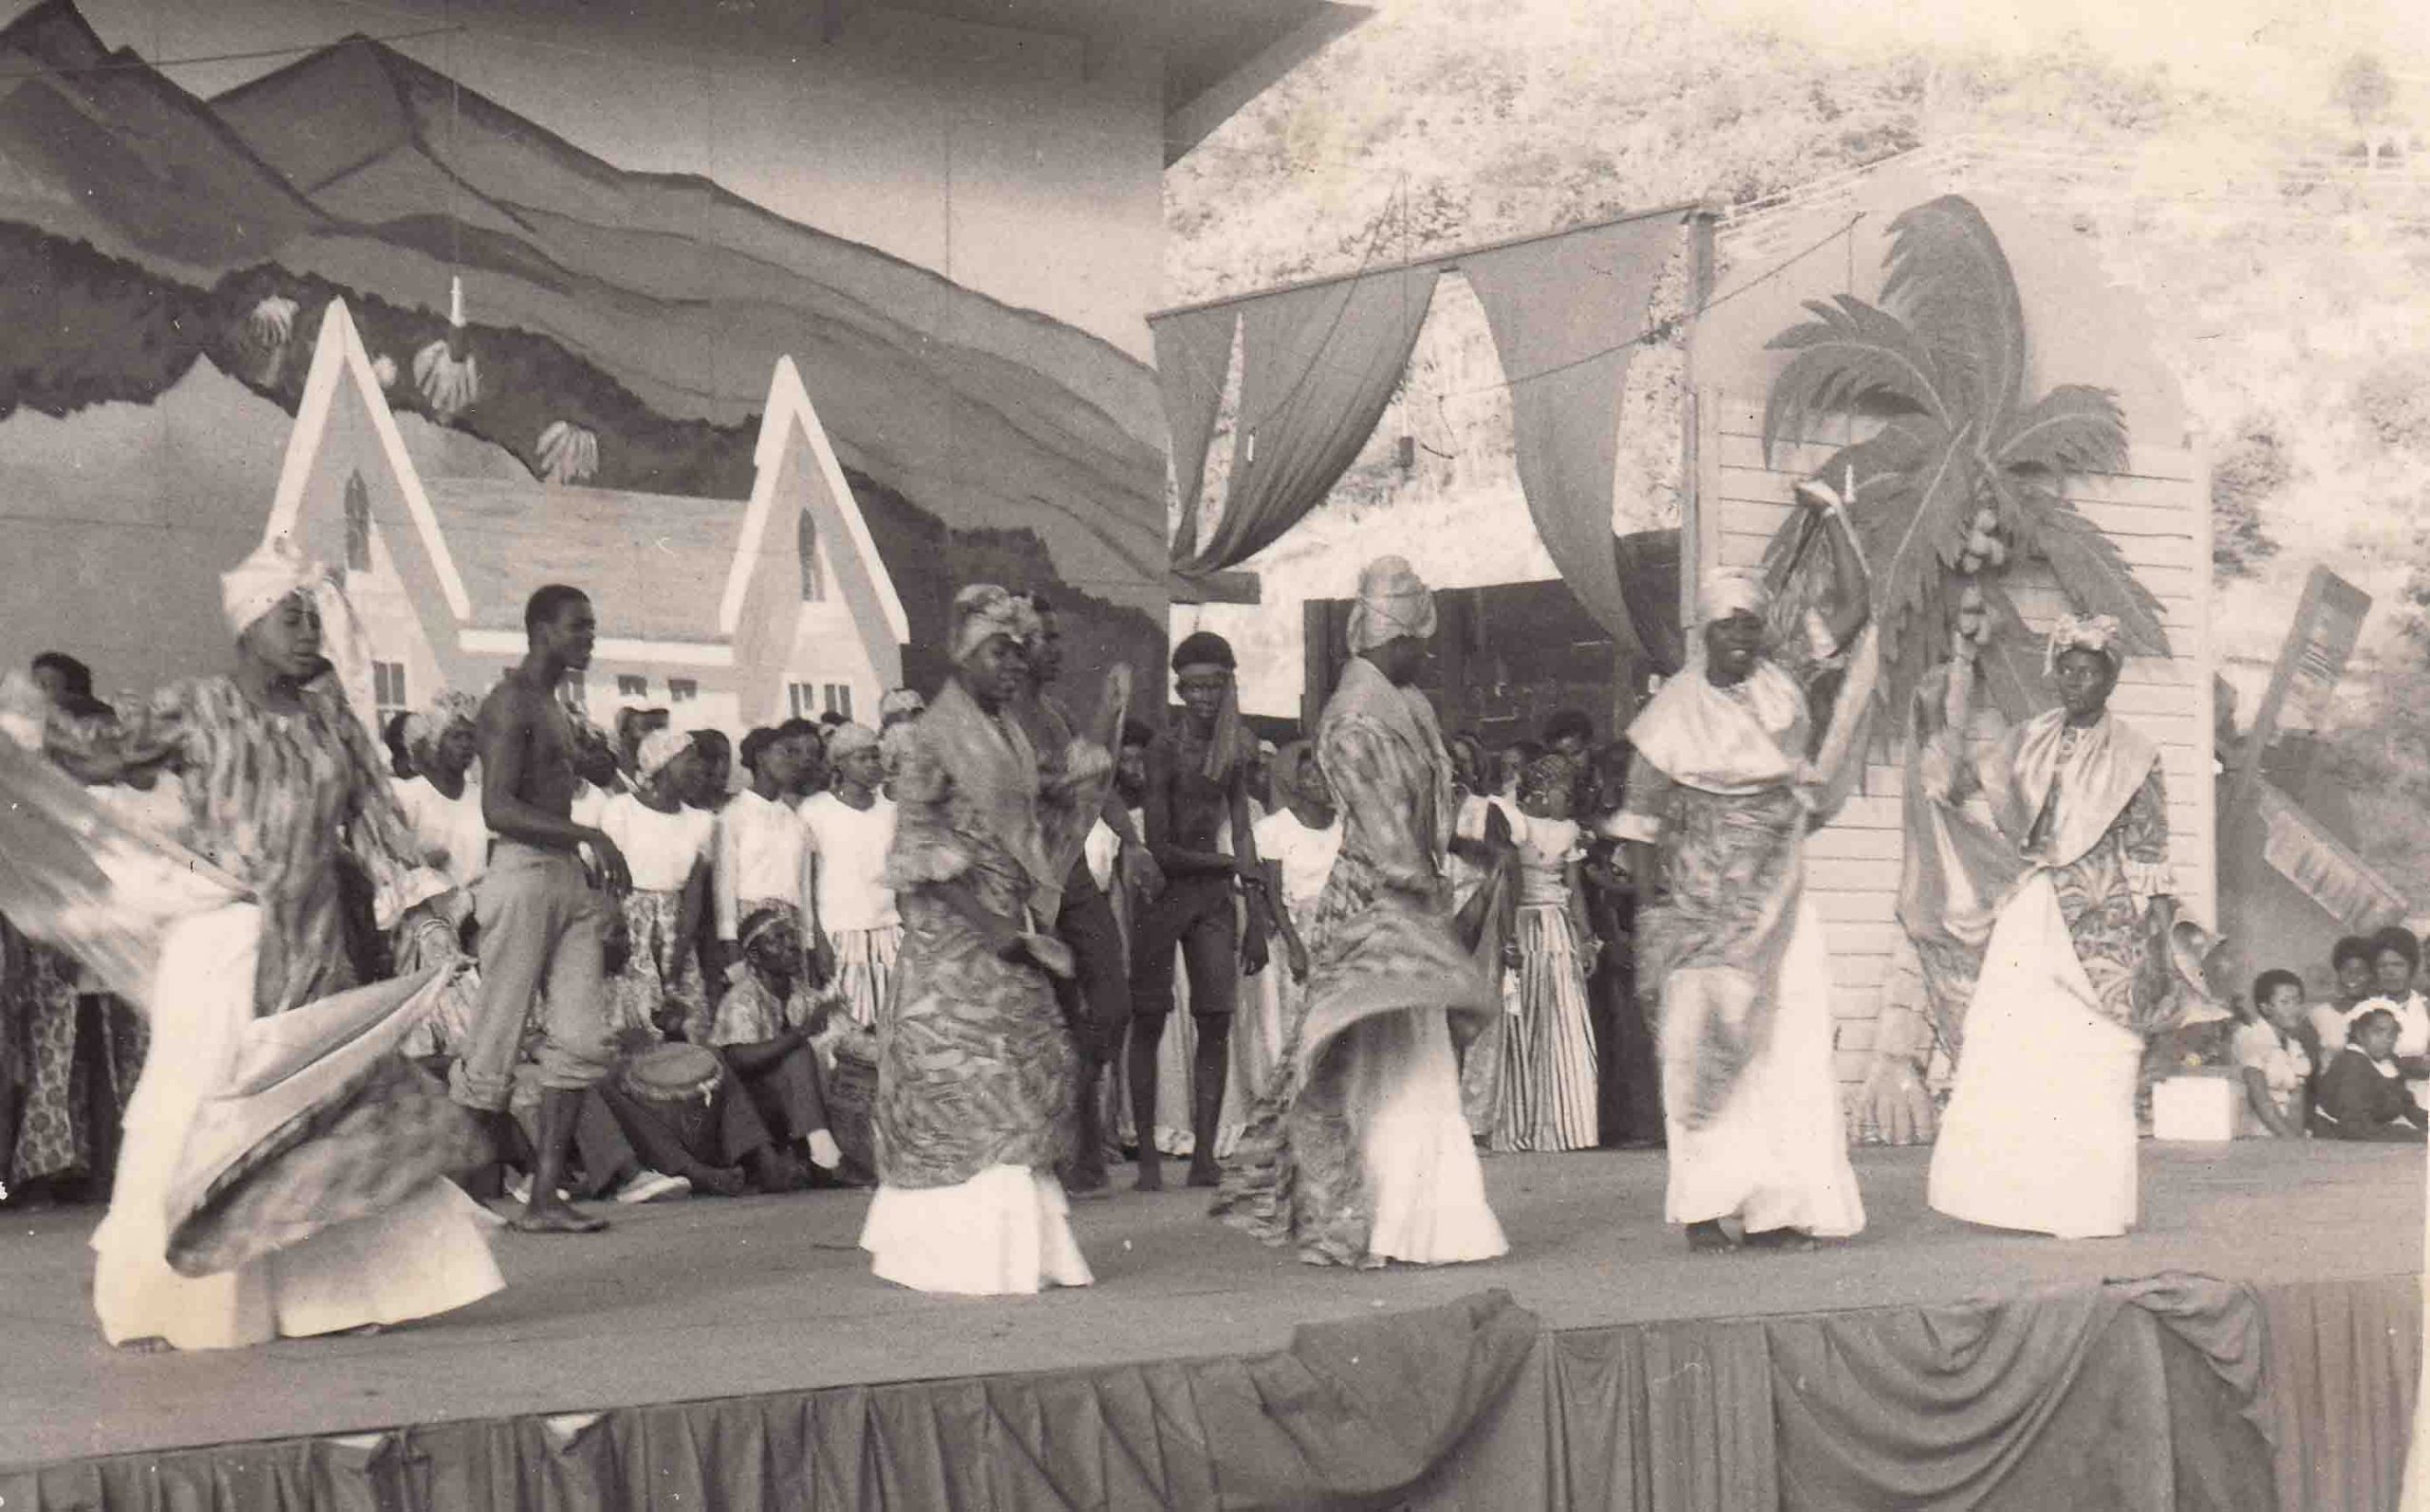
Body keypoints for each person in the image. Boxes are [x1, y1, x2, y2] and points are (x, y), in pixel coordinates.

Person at [44, 537, 500, 1349]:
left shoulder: (332, 725)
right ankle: (177, 1300)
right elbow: (100, 757)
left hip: (315, 938)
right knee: (202, 1103)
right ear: (248, 625)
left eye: (311, 614)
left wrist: (428, 915)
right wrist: (25, 733)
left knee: (322, 1105)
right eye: (288, 615)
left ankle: (336, 1297)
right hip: (223, 941)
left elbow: (378, 823)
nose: (305, 628)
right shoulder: (197, 705)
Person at [1214, 556, 1507, 1270]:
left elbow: (1422, 819)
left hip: (1406, 889)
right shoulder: (1352, 718)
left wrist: (1456, 850)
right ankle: (1355, 1221)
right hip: (1377, 898)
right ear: (1397, 635)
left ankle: (1414, 1221)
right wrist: (1434, 892)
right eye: (1420, 637)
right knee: (1354, 1059)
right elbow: (1385, 834)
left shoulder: (1406, 703)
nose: (1428, 650)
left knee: (1410, 1055)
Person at [1615, 485, 1876, 1254]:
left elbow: (1855, 609)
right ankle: (1705, 1204)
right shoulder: (1672, 712)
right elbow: (1638, 822)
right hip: (1699, 908)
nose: (1740, 637)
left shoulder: (1782, 681)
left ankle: (1778, 1208)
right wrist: (1649, 918)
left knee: (1790, 1042)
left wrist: (1832, 517)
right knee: (1705, 1047)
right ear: (1705, 631)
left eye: (1750, 625)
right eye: (1727, 625)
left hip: (1783, 896)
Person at [859, 585, 1112, 1294]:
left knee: (1031, 1068)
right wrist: (990, 923)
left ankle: (1019, 1250)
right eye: (999, 651)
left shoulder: (1007, 730)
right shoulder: (934, 735)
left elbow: (1037, 814)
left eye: (1019, 651)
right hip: (956, 941)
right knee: (972, 1075)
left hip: (1009, 928)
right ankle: (955, 1255)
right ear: (966, 654)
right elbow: (915, 847)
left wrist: (1095, 748)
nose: (1013, 664)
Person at [1927, 613, 2185, 1241]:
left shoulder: (2136, 753)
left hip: (2102, 915)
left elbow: (2149, 852)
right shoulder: (2028, 738)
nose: (2074, 681)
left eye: (2088, 670)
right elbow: (1974, 792)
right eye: (2065, 669)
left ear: (2110, 676)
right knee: (2014, 1039)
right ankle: (2010, 1199)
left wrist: (2155, 941)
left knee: (2095, 1050)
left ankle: (2083, 1202)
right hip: (2031, 903)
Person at [459, 585, 629, 1236]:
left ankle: (545, 1198)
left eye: (591, 627)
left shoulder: (555, 706)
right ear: (540, 631)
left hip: (561, 874)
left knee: (582, 1039)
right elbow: (497, 808)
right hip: (522, 870)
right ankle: (446, 1204)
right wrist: (588, 834)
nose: (590, 638)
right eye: (578, 628)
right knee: (495, 1043)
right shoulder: (509, 702)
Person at [1010, 591, 1149, 1198]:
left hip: (1074, 884)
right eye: (1047, 639)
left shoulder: (1057, 715)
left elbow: (1096, 786)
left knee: (1112, 1005)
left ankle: (1076, 1127)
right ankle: (1078, 1152)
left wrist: (1133, 842)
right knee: (1055, 1018)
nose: (1057, 650)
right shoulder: (1002, 724)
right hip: (1028, 890)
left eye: (1058, 638)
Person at [1130, 631, 1270, 1189]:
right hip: (1165, 892)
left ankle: (1206, 1153)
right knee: (1149, 1017)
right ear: (1180, 689)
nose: (1207, 697)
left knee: (1216, 1017)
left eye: (1216, 685)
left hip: (1211, 895)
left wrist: (1255, 916)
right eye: (1196, 687)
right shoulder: (1165, 748)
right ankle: (1145, 1154)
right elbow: (1162, 846)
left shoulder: (1237, 745)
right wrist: (1231, 868)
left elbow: (1243, 830)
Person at [1494, 753, 1600, 1153]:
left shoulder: (1568, 831)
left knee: (1561, 1019)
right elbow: (1508, 884)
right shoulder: (1514, 822)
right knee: (1522, 1020)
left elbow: (1574, 891)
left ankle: (1566, 1123)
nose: (1567, 800)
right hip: (1521, 923)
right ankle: (1520, 1123)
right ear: (1542, 790)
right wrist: (1509, 939)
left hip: (1556, 930)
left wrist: (1587, 940)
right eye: (1563, 791)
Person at [709, 905, 850, 1178]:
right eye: (778, 940)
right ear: (754, 955)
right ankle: (824, 1156)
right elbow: (737, 1059)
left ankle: (821, 1148)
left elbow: (843, 1039)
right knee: (798, 1053)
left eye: (792, 937)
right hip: (754, 1111)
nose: (792, 947)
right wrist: (799, 1034)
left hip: (796, 1108)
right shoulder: (741, 999)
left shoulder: (808, 997)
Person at [597, 731, 717, 1044]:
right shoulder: (620, 809)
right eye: (689, 759)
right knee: (630, 1021)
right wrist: (615, 936)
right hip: (628, 926)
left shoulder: (701, 821)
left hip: (675, 929)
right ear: (663, 763)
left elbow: (693, 895)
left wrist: (677, 953)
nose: (699, 767)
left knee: (682, 1022)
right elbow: (607, 882)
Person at [1245, 741, 1341, 1125]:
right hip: (1292, 935)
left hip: (1336, 933)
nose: (1317, 781)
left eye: (1324, 772)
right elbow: (1271, 891)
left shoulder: (1344, 828)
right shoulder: (1274, 828)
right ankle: (1290, 1113)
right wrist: (1295, 945)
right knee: (1289, 1027)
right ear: (1296, 782)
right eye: (1309, 774)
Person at [799, 722, 901, 1032]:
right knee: (850, 1026)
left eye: (875, 757)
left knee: (896, 1019)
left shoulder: (891, 810)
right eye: (862, 758)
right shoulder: (815, 809)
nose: (872, 765)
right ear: (839, 763)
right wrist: (816, 937)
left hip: (890, 928)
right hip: (840, 931)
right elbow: (807, 881)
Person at [713, 722, 817, 982]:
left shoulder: (797, 820)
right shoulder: (733, 816)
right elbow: (724, 884)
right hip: (750, 926)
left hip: (790, 927)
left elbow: (803, 887)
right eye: (786, 752)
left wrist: (809, 942)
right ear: (760, 757)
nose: (795, 761)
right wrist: (730, 943)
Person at [393, 691, 488, 892]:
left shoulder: (479, 798)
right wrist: (422, 864)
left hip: (477, 909)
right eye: (456, 736)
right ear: (434, 741)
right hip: (429, 914)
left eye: (470, 736)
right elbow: (395, 863)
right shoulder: (411, 796)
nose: (465, 745)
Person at [2313, 1008, 2428, 1142]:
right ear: (2360, 1034)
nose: (2386, 1040)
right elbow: (2355, 1127)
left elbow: (2407, 1106)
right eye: (2378, 1032)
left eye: (2392, 1034)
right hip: (2336, 1140)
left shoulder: (2389, 1061)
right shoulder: (2351, 1065)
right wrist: (2412, 1135)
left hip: (2372, 1135)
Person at [2236, 969, 2313, 1139]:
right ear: (2265, 1008)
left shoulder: (2295, 1047)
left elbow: (2297, 1102)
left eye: (2297, 1001)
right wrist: (2290, 1140)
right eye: (2285, 1002)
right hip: (2255, 1133)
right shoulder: (2251, 1037)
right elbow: (2261, 1100)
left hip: (2286, 1135)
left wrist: (2297, 1140)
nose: (2295, 1009)